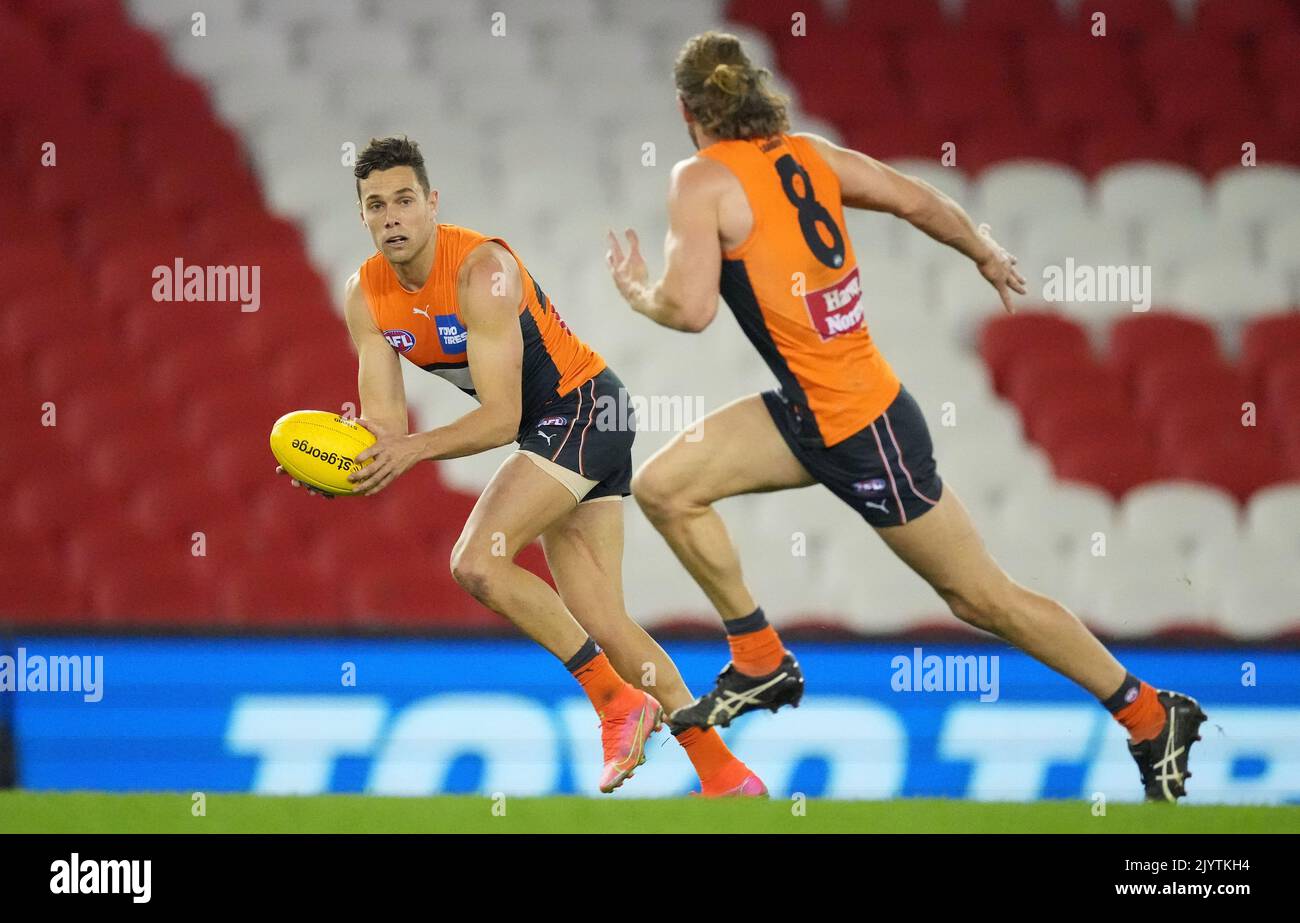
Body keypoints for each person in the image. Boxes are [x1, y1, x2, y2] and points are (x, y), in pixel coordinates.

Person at [605, 32, 1205, 802]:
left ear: (687, 111)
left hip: (864, 429)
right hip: (810, 412)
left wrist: (641, 296)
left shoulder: (700, 177)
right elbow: (916, 197)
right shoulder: (809, 155)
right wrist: (981, 249)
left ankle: (1151, 713)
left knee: (982, 598)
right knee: (666, 488)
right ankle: (760, 657)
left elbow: (689, 310)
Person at [279, 135, 764, 797]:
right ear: (361, 216)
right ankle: (727, 776)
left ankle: (616, 703)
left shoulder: (482, 271)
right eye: (376, 205)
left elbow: (502, 418)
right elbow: (385, 427)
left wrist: (412, 448)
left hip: (586, 410)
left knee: (475, 561)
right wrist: (341, 465)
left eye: (404, 200)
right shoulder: (365, 297)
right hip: (559, 429)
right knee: (602, 620)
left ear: (432, 204)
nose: (391, 216)